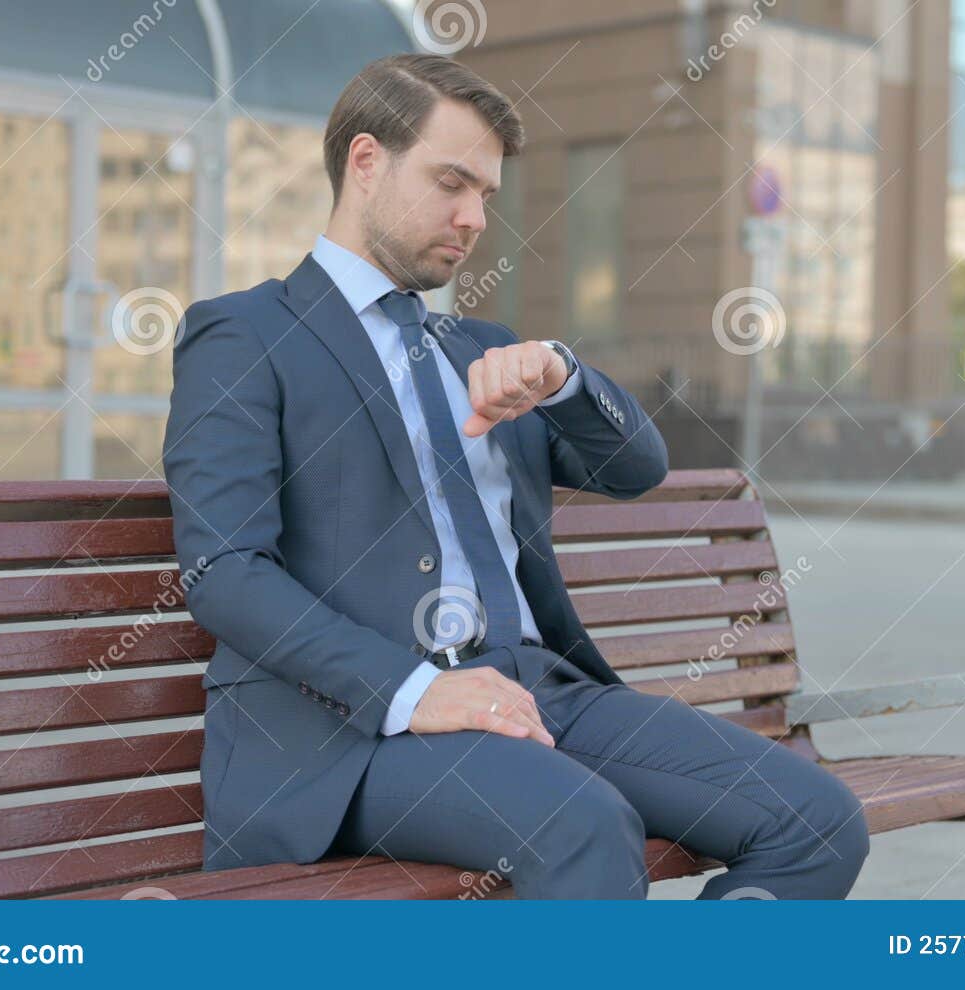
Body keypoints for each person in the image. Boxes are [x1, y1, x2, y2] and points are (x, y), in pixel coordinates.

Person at [162, 52, 868, 899]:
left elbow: (636, 467)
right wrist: (418, 690)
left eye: (486, 196)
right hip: (347, 735)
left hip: (536, 691)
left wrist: (566, 377)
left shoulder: (484, 352)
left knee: (818, 823)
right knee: (584, 826)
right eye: (451, 183)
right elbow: (226, 573)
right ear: (365, 161)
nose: (472, 219)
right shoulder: (244, 335)